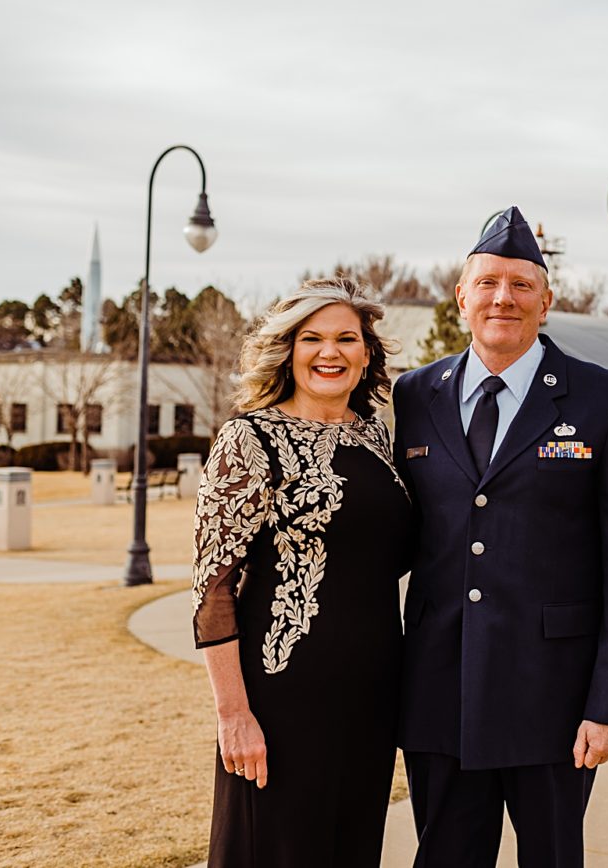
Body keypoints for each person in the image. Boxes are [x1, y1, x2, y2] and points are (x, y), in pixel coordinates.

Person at [393, 207, 608, 868]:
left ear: (547, 300)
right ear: (461, 298)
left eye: (519, 285)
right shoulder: (415, 395)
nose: (501, 298)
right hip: (439, 693)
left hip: (555, 700)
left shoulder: (604, 398)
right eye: (486, 284)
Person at [192, 278, 413, 868]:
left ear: (367, 353)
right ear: (286, 351)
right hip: (282, 701)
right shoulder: (248, 439)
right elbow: (212, 592)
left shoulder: (375, 437)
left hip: (371, 701)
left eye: (346, 338)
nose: (329, 352)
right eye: (311, 338)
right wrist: (233, 715)